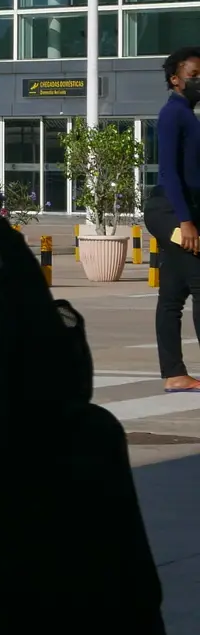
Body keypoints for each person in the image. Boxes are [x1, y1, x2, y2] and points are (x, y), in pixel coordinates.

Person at [145, 47, 200, 392]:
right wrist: (186, 222)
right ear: (175, 80)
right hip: (168, 212)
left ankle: (174, 374)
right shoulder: (172, 115)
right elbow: (169, 173)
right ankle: (174, 373)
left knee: (172, 295)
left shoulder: (189, 115)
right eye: (194, 76)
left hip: (182, 212)